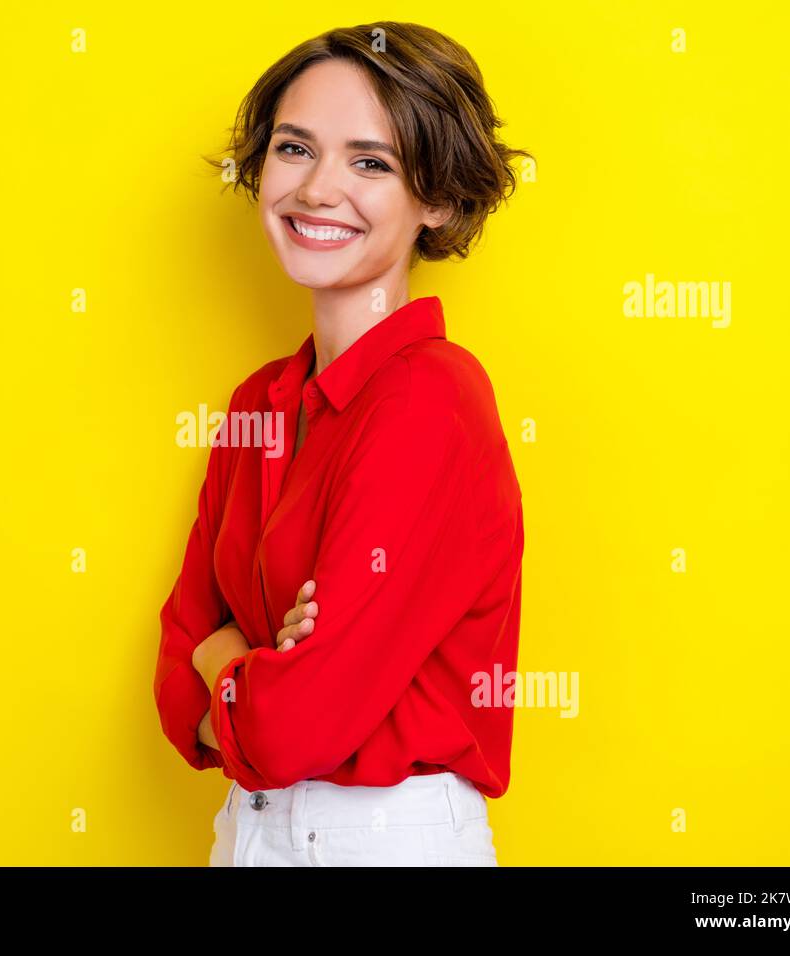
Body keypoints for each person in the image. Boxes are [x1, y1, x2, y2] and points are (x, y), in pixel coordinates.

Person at [154, 20, 530, 866]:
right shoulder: (260, 404)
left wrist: (228, 655)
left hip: (383, 840)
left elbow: (298, 727)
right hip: (247, 833)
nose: (319, 189)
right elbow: (176, 666)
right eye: (294, 149)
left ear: (437, 200)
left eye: (371, 162)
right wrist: (250, 665)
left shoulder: (432, 400)